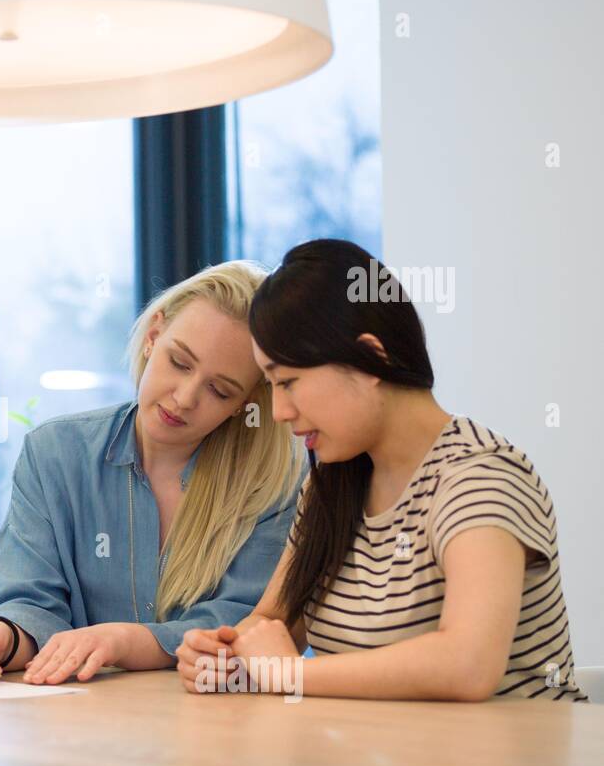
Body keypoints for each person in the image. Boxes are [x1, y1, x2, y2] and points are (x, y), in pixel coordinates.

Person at [176, 239, 587, 702]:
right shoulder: (330, 485)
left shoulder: (481, 476)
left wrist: (290, 674)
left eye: (288, 382)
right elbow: (272, 627)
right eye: (270, 385)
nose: (279, 411)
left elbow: (469, 665)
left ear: (370, 358)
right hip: (385, 764)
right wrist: (223, 657)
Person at [0, 261, 305, 686]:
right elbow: (30, 600)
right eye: (180, 363)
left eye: (219, 390)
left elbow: (245, 624)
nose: (184, 398)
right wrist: (0, 637)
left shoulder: (274, 486)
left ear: (244, 403)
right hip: (79, 729)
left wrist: (127, 642)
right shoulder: (54, 454)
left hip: (214, 732)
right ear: (153, 336)